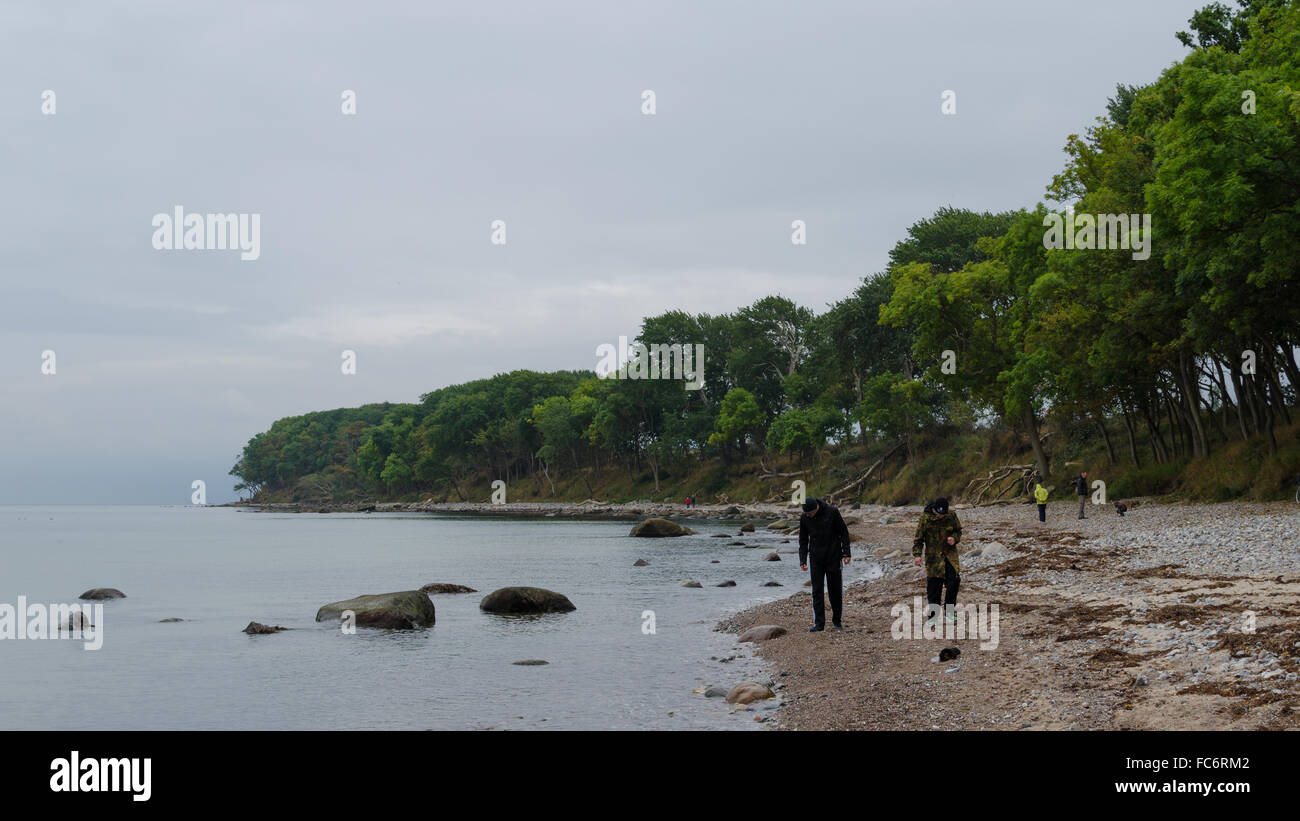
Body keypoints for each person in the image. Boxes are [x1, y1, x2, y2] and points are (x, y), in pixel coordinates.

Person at [798, 497, 852, 632]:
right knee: (817, 591)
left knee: (835, 590)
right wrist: (802, 560)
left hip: (833, 556)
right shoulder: (805, 518)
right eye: (806, 513)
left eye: (809, 513)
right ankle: (819, 624)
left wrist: (846, 553)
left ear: (816, 508)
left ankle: (837, 621)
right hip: (815, 558)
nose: (808, 515)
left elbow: (844, 532)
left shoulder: (832, 512)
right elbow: (803, 540)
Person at [912, 497, 962, 623]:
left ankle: (950, 613)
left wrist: (954, 539)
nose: (941, 516)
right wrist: (917, 555)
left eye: (943, 514)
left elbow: (958, 531)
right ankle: (933, 617)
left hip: (949, 556)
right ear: (934, 510)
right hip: (933, 558)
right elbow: (918, 539)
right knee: (934, 588)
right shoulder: (925, 518)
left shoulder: (951, 515)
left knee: (954, 582)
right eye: (939, 514)